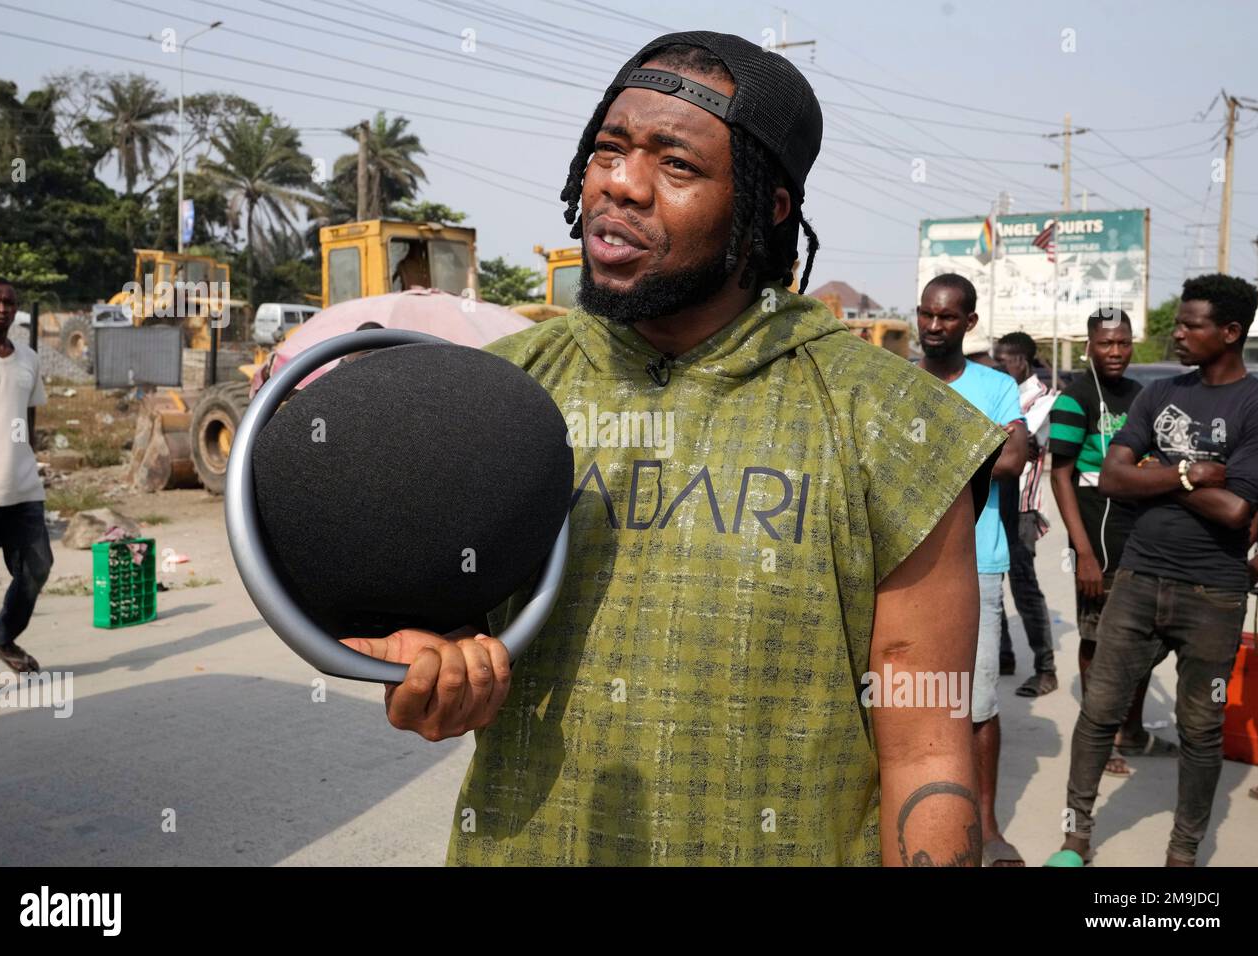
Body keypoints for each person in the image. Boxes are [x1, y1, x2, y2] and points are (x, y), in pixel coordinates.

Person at [349, 32, 1007, 866]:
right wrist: (431, 677)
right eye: (608, 150)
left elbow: (926, 755)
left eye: (677, 165)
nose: (620, 184)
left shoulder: (890, 423)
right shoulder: (502, 393)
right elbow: (441, 642)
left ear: (765, 205)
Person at [1056, 274, 1258, 867]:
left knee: (1200, 732)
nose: (1175, 334)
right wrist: (1189, 474)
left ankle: (1181, 855)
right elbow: (1109, 478)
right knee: (1098, 713)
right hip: (1138, 580)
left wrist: (1157, 472)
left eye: (1189, 324)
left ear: (1229, 333)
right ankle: (1075, 837)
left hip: (1214, 595)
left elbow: (1235, 511)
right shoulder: (1160, 395)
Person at [916, 273, 1030, 866]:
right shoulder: (896, 382)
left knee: (980, 702)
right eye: (927, 315)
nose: (935, 327)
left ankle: (986, 827)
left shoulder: (995, 386)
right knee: (898, 694)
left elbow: (1013, 458)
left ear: (969, 323)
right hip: (903, 564)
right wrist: (974, 450)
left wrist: (929, 455)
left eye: (948, 317)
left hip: (977, 563)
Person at [1046, 308, 1172, 778]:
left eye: (1122, 343)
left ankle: (1133, 731)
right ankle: (1099, 737)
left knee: (1146, 641)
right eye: (1105, 343)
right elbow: (1060, 474)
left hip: (1142, 542)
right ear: (1089, 346)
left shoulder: (1142, 396)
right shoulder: (1075, 399)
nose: (1115, 352)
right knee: (1097, 642)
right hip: (1097, 546)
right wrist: (1082, 553)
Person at [0, 275, 53, 702]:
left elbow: (26, 417)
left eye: (9, 302)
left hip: (23, 488)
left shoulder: (28, 359)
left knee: (37, 568)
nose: (2, 309)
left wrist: (31, 460)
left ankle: (3, 636)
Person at [992, 331, 1058, 697]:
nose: (999, 366)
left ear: (1022, 360)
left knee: (1024, 587)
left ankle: (1045, 668)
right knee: (990, 581)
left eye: (1004, 360)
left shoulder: (1044, 399)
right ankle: (1003, 655)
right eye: (997, 360)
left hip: (1022, 508)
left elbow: (1016, 440)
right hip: (992, 502)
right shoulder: (1005, 394)